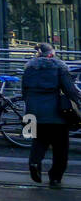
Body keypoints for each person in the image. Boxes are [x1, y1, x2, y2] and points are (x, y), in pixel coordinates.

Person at [22, 42, 81, 188]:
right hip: (56, 113)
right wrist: (77, 102)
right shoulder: (59, 67)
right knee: (61, 147)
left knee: (38, 141)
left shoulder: (29, 68)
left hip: (33, 112)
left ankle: (34, 162)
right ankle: (55, 177)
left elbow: (24, 91)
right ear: (51, 53)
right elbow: (70, 90)